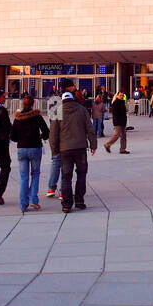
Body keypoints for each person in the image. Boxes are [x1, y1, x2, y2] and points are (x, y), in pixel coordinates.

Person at [49, 79, 96, 212]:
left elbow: (53, 134)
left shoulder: (57, 111)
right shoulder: (82, 110)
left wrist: (55, 149)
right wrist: (93, 144)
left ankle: (66, 204)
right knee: (81, 174)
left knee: (66, 176)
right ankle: (79, 200)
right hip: (80, 147)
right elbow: (90, 128)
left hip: (65, 149)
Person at [10, 94, 49, 212]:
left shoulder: (18, 118)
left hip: (22, 148)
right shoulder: (37, 117)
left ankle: (23, 204)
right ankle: (34, 199)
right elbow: (46, 132)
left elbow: (13, 137)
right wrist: (40, 136)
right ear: (33, 104)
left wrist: (21, 138)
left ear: (22, 104)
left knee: (23, 178)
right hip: (35, 147)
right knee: (35, 174)